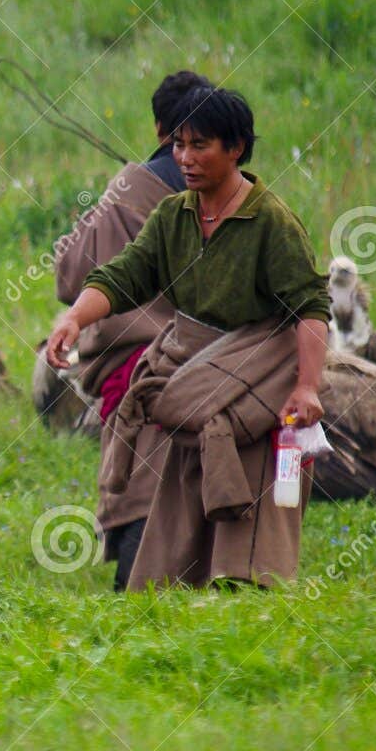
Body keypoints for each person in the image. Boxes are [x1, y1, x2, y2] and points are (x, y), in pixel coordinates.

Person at [46, 87, 331, 590]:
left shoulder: (271, 222)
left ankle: (246, 601)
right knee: (179, 510)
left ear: (236, 147)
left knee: (254, 508)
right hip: (189, 378)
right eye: (179, 145)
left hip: (258, 379)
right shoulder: (174, 216)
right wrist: (73, 319)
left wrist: (307, 387)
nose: (184, 158)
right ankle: (179, 600)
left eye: (200, 146)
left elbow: (309, 307)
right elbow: (124, 275)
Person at [51, 69, 210, 588]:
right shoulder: (231, 194)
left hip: (137, 360)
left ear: (159, 125)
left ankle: (139, 580)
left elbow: (70, 274)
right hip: (217, 361)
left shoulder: (132, 189)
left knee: (143, 473)